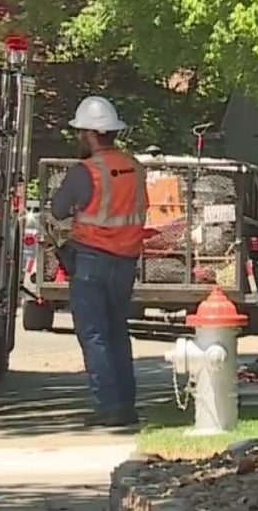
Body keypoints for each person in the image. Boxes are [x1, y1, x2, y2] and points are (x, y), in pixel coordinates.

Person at [49, 95, 148, 427]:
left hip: (91, 259)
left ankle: (108, 405)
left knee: (93, 334)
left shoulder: (86, 171)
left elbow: (58, 210)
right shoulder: (135, 167)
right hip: (126, 261)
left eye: (81, 132)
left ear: (91, 134)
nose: (80, 137)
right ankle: (126, 404)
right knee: (117, 332)